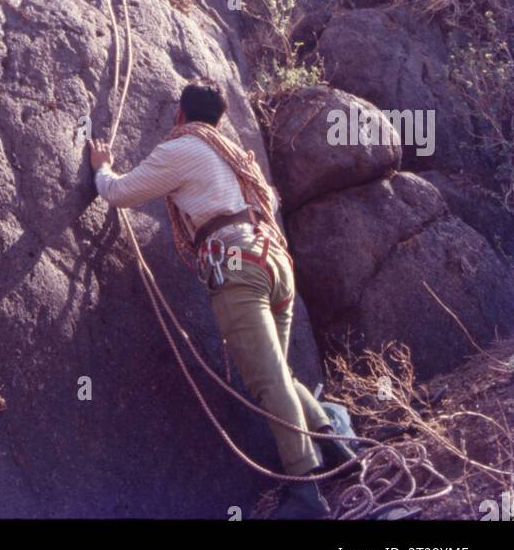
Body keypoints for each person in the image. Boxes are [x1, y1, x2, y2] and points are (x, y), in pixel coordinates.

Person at [89, 79, 359, 519]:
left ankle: (306, 491)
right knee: (277, 373)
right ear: (219, 118)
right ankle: (334, 449)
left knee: (266, 382)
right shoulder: (232, 154)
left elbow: (118, 193)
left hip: (235, 265)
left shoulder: (181, 148)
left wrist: (102, 167)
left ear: (181, 115)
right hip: (273, 262)